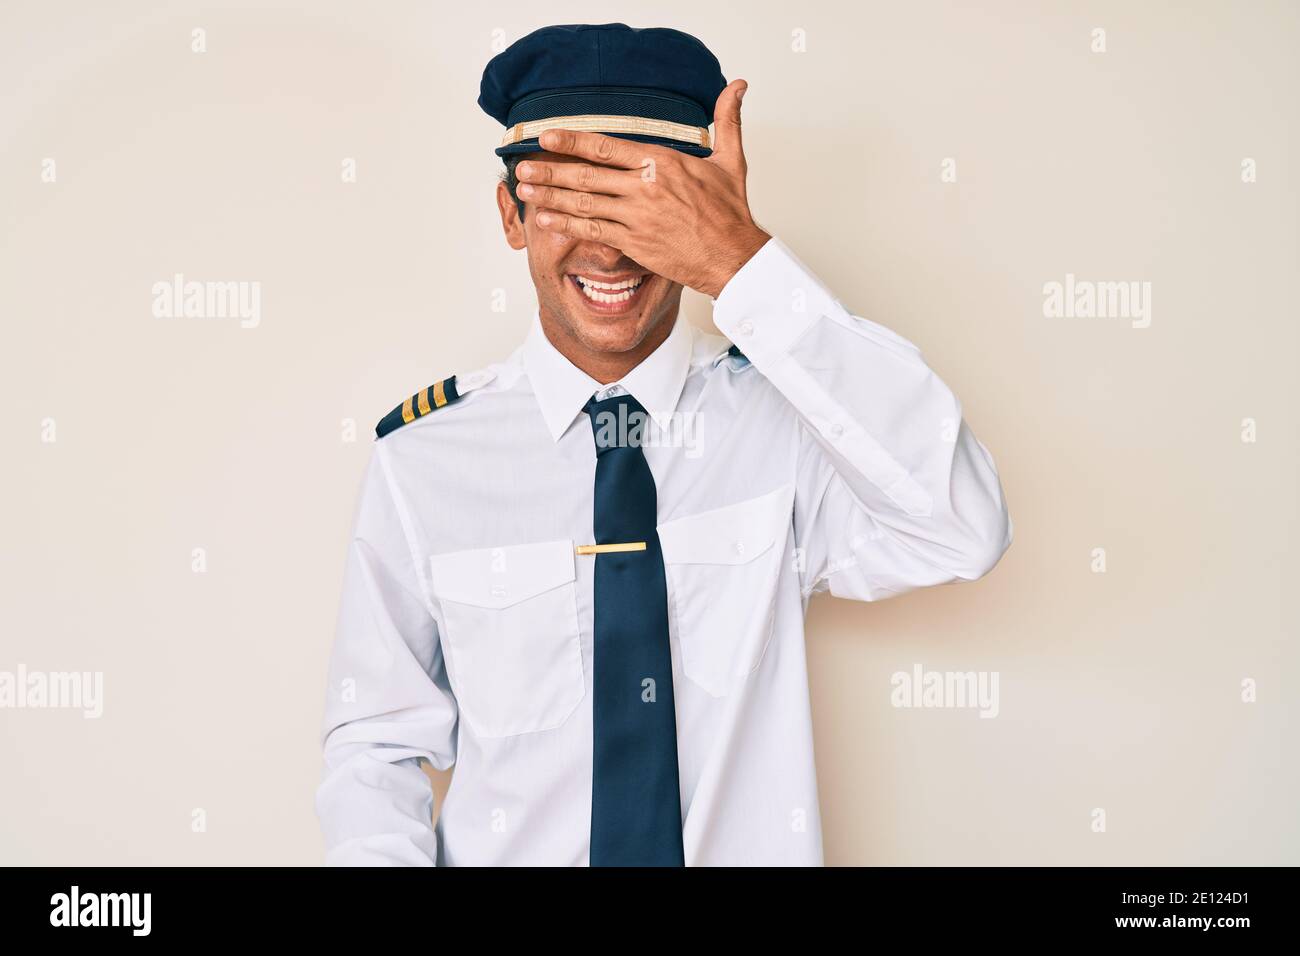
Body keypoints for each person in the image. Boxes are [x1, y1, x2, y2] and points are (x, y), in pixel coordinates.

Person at [316, 22, 1012, 866]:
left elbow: (963, 528)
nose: (608, 247)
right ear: (512, 213)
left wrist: (743, 265)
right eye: (574, 203)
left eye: (641, 210)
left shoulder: (789, 422)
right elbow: (375, 748)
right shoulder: (423, 463)